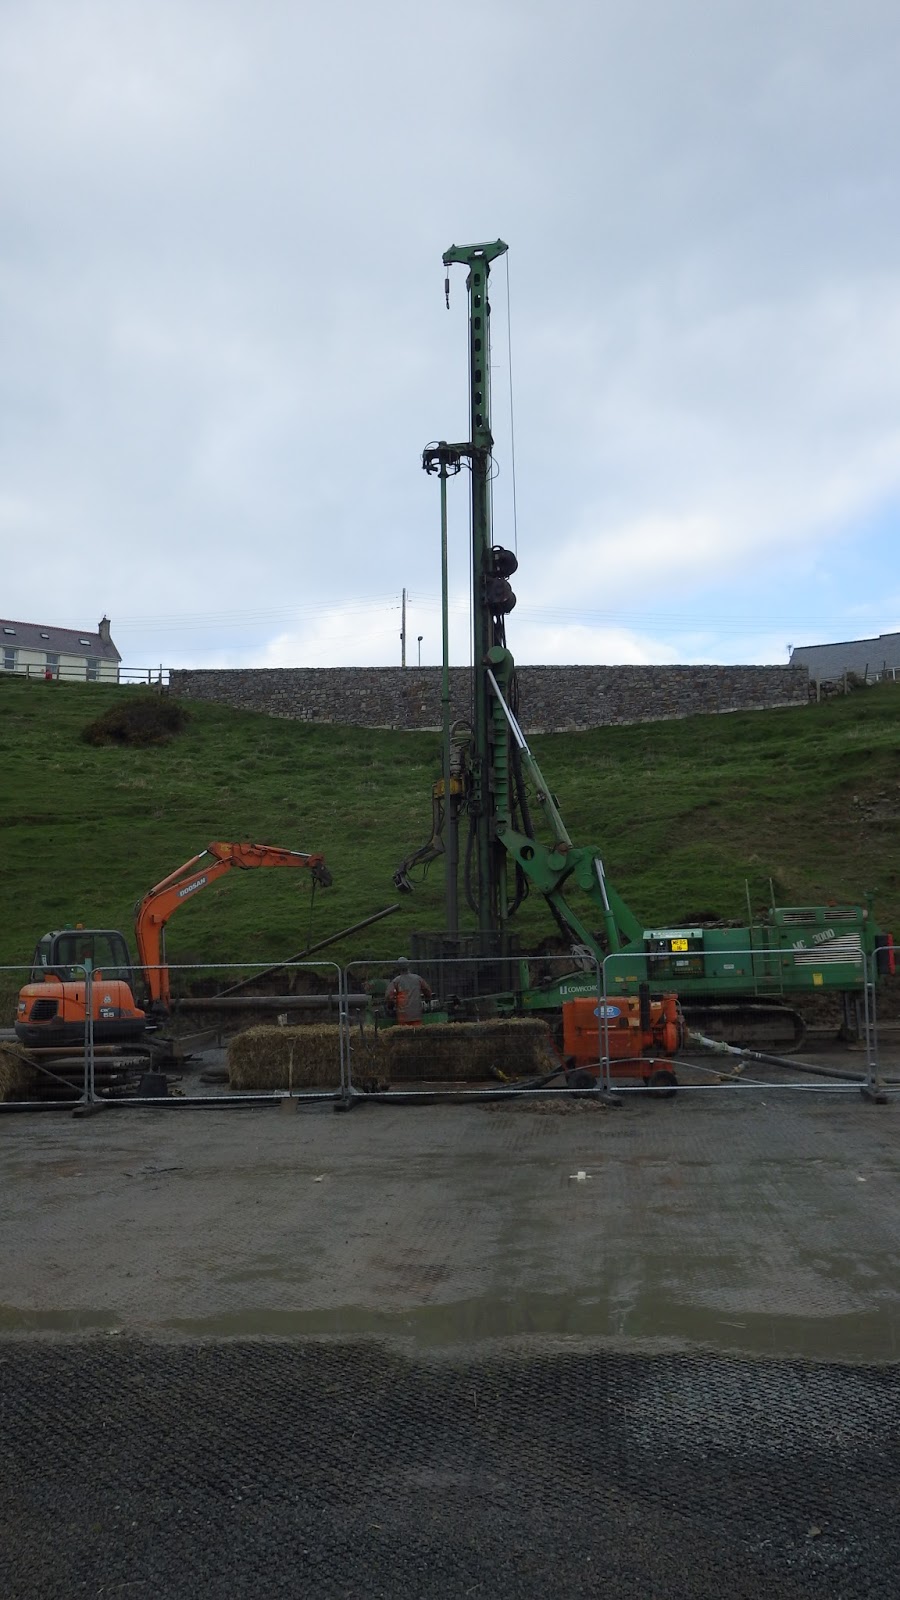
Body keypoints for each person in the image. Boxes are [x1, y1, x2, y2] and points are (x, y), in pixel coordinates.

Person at [384, 956, 432, 1026]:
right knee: (417, 1033)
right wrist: (428, 999)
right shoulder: (417, 978)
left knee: (404, 1034)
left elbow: (389, 996)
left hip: (403, 1016)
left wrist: (390, 1007)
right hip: (416, 1015)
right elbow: (427, 990)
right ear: (408, 965)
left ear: (398, 967)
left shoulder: (396, 981)